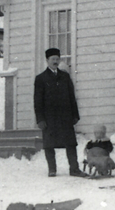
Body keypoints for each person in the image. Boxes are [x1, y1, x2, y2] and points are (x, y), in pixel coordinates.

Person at [34, 48, 86, 177]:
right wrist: (40, 119)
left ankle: (74, 169)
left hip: (65, 117)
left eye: (57, 59)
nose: (55, 61)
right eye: (53, 59)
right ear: (47, 60)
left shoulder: (65, 76)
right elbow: (37, 101)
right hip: (49, 118)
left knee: (71, 144)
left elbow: (72, 97)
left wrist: (75, 115)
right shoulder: (41, 78)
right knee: (49, 145)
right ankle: (52, 169)